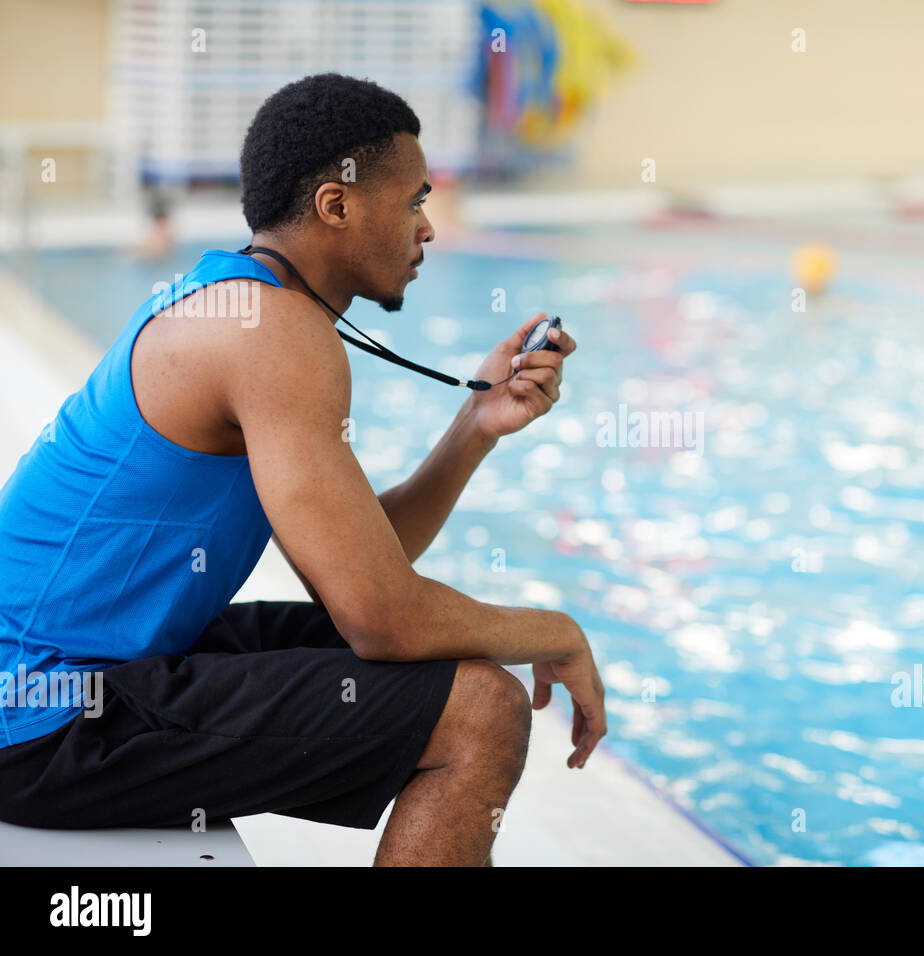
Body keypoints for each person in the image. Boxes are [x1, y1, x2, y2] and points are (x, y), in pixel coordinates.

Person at [0, 73, 605, 867]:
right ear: (337, 205)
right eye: (412, 200)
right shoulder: (273, 336)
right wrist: (555, 631)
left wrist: (474, 426)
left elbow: (360, 574)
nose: (427, 229)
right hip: (44, 720)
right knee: (481, 709)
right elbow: (381, 619)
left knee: (448, 664)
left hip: (87, 673)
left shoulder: (246, 304)